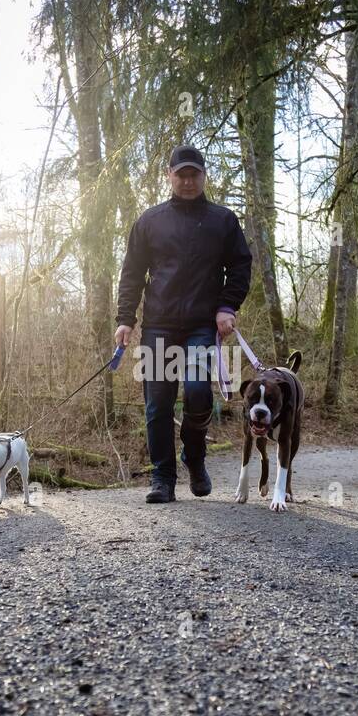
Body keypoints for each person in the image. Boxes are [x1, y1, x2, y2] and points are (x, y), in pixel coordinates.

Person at [114, 145, 252, 503]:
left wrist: (226, 305)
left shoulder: (223, 220)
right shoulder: (150, 221)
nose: (188, 181)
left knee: (196, 390)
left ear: (204, 177)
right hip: (158, 326)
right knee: (158, 404)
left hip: (201, 327)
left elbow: (239, 266)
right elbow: (131, 274)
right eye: (181, 174)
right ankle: (163, 478)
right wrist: (125, 319)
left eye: (194, 175)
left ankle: (194, 456)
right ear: (169, 176)